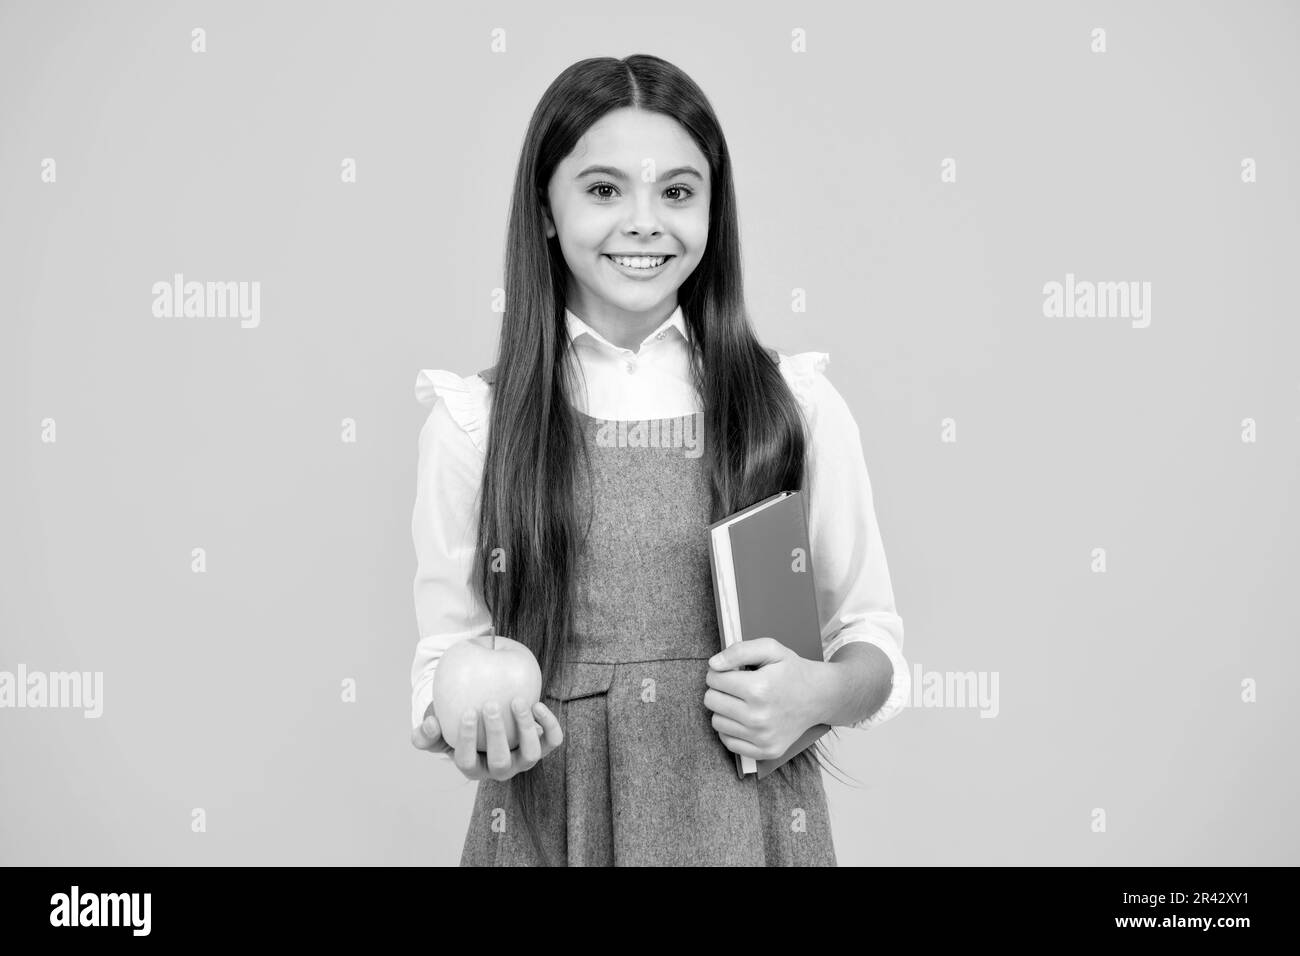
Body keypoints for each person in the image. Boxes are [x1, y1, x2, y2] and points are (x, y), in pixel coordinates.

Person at [409, 54, 910, 866]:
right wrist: (464, 726)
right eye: (604, 190)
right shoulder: (477, 423)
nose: (645, 222)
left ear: (714, 209)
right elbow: (449, 652)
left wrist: (819, 693)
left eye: (677, 192)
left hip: (748, 828)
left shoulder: (795, 406)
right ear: (545, 207)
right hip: (550, 826)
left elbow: (871, 637)